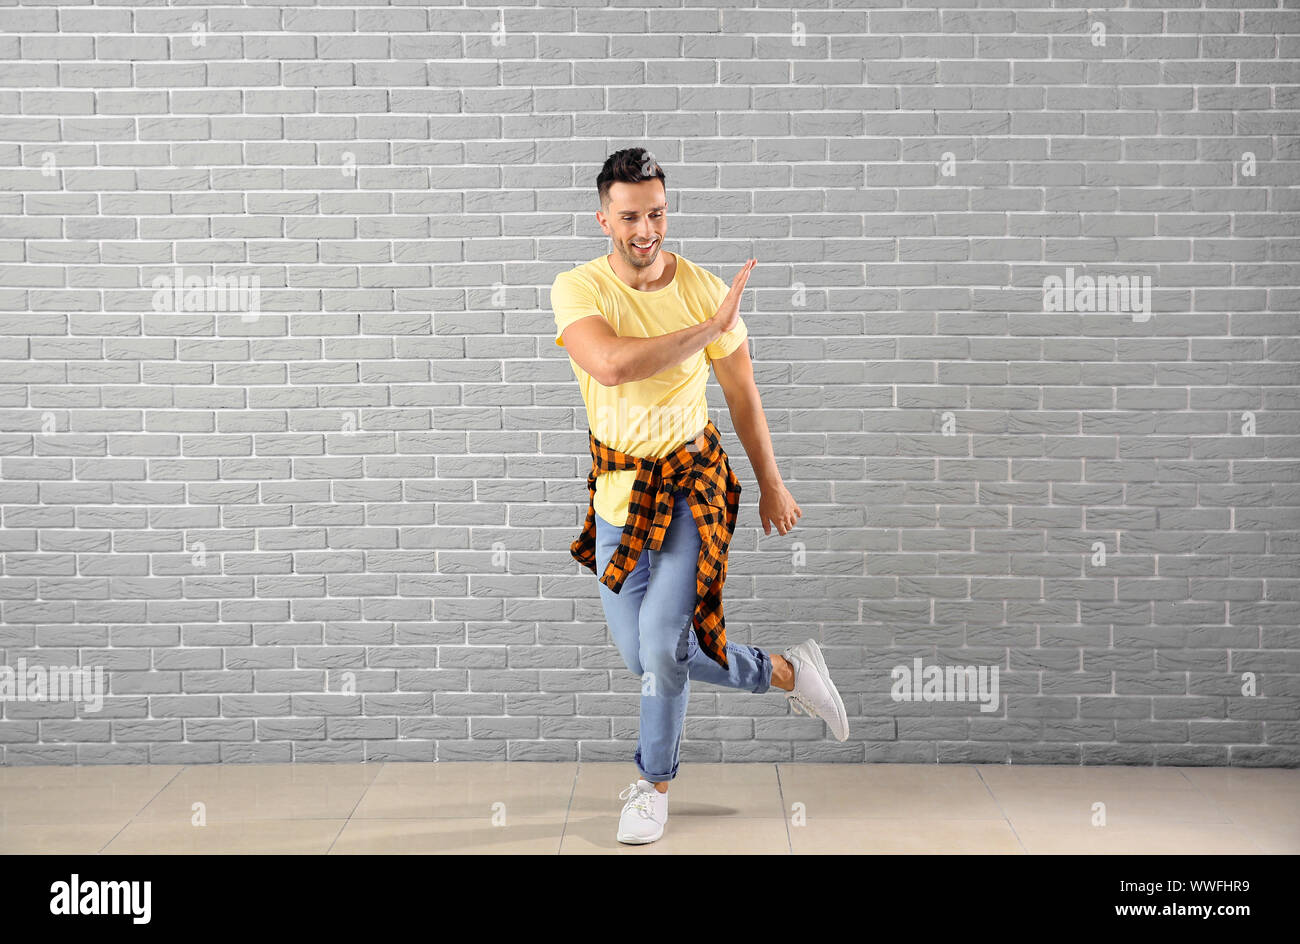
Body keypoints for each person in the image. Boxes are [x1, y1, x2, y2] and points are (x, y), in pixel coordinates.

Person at [551, 147, 849, 845]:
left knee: (659, 644)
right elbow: (612, 364)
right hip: (619, 493)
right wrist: (708, 332)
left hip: (692, 488)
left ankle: (652, 787)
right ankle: (784, 671)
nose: (646, 229)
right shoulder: (578, 288)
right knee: (641, 654)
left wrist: (773, 483)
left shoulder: (705, 288)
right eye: (629, 216)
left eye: (656, 212)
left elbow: (743, 395)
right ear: (604, 220)